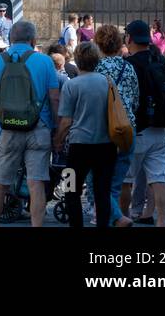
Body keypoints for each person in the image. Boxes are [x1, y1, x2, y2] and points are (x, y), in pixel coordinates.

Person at [0, 19, 61, 227]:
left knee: (0, 184)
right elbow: (54, 98)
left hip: (7, 128)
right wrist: (57, 130)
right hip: (39, 128)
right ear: (33, 40)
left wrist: (1, 97)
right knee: (36, 184)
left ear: (10, 39)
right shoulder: (45, 62)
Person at [52, 42, 118, 229]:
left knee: (71, 190)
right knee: (102, 192)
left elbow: (66, 121)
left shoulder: (72, 86)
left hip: (78, 147)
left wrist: (58, 141)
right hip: (106, 145)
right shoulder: (108, 82)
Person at [118, 20, 165, 227]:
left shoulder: (129, 64)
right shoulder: (159, 60)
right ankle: (162, 222)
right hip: (159, 128)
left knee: (126, 179)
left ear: (129, 38)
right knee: (158, 177)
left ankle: (123, 218)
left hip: (137, 129)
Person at [90, 24, 139, 228]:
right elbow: (136, 100)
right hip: (127, 129)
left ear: (98, 44)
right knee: (115, 185)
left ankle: (117, 217)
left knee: (95, 183)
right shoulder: (129, 67)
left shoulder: (97, 68)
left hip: (105, 130)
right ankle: (112, 218)